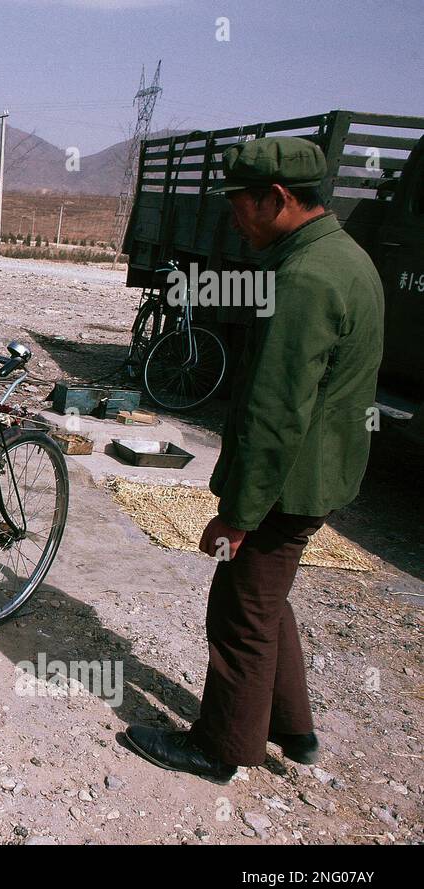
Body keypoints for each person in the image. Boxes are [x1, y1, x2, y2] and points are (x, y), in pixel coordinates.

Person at [125, 137, 385, 781]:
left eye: (238, 205)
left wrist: (237, 515)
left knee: (239, 610)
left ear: (277, 198)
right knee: (266, 600)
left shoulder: (304, 278)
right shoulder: (346, 259)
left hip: (286, 483)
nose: (232, 220)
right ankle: (292, 729)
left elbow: (276, 414)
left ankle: (222, 750)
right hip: (314, 476)